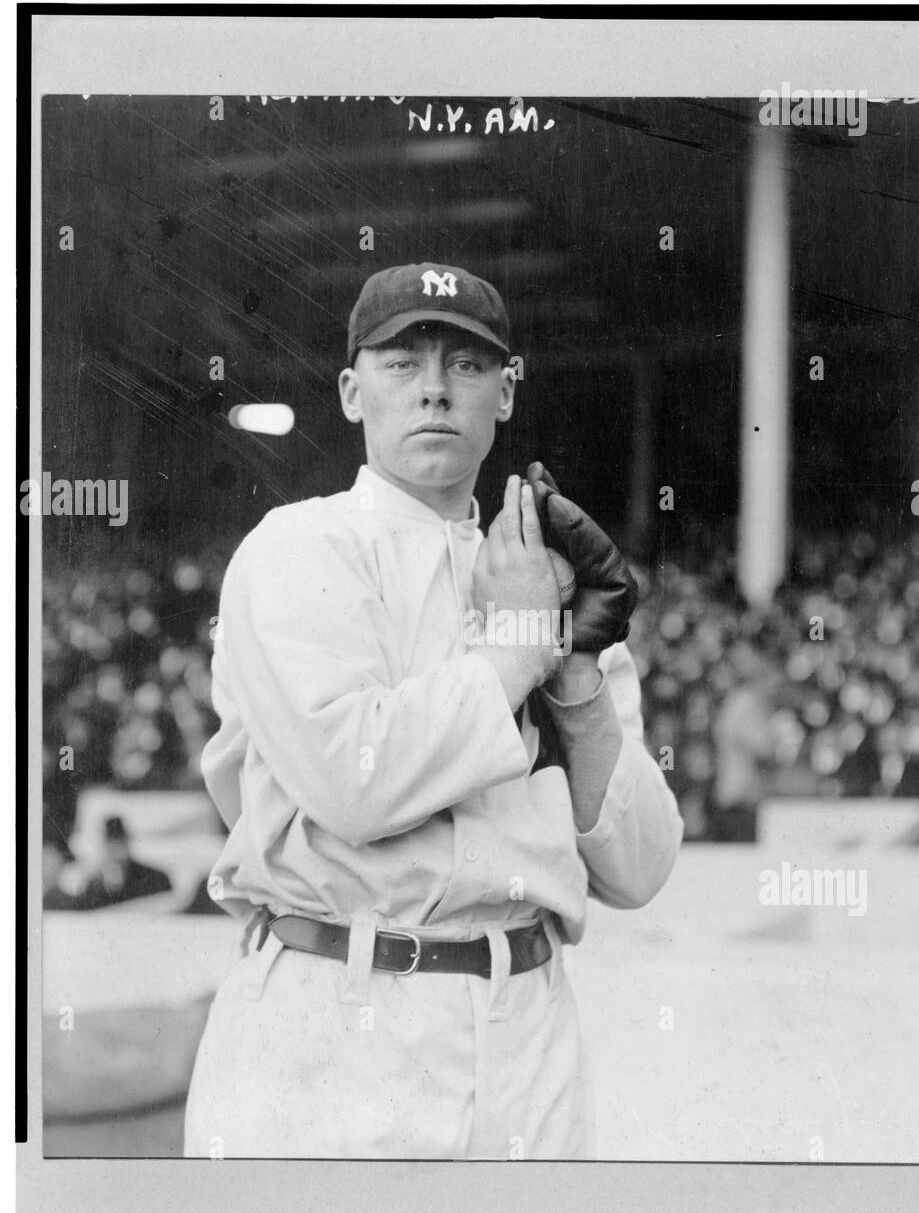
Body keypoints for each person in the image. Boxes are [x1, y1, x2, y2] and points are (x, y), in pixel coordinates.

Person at [184, 262, 683, 1160]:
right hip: (334, 1008)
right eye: (401, 361)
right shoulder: (300, 545)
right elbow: (353, 782)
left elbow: (639, 868)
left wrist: (569, 674)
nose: (434, 390)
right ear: (350, 390)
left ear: (505, 392)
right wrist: (520, 648)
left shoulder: (541, 566)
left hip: (526, 1021)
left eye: (464, 364)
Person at [73, 815, 172, 909]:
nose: (116, 850)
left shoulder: (155, 878)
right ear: (104, 845)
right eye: (112, 843)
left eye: (119, 842)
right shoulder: (94, 882)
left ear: (127, 842)